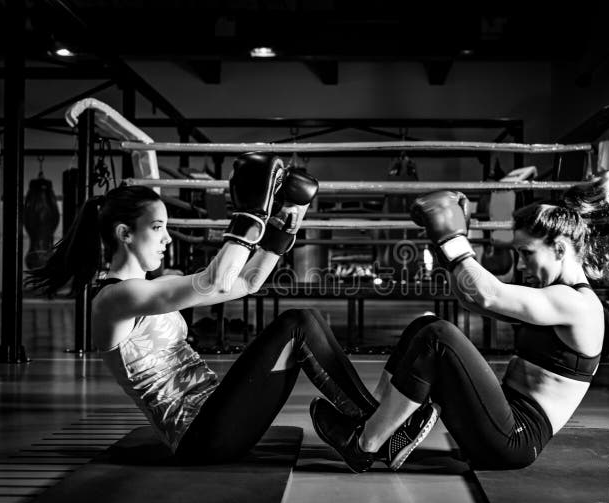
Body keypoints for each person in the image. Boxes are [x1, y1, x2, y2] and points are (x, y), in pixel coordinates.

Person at [310, 170, 609, 472]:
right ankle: (378, 422)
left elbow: (489, 292)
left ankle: (363, 446)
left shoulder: (577, 304)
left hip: (515, 439)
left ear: (560, 248)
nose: (522, 264)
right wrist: (446, 243)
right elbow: (473, 298)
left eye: (526, 253)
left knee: (438, 335)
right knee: (425, 324)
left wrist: (453, 239)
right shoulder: (552, 297)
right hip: (498, 421)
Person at [25, 153, 388, 463]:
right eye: (157, 227)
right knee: (298, 324)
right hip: (199, 437)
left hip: (218, 416)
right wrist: (250, 214)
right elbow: (216, 280)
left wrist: (286, 225)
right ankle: (378, 425)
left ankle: (375, 423)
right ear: (124, 234)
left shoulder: (154, 286)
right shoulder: (114, 299)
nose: (168, 238)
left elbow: (245, 283)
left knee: (302, 320)